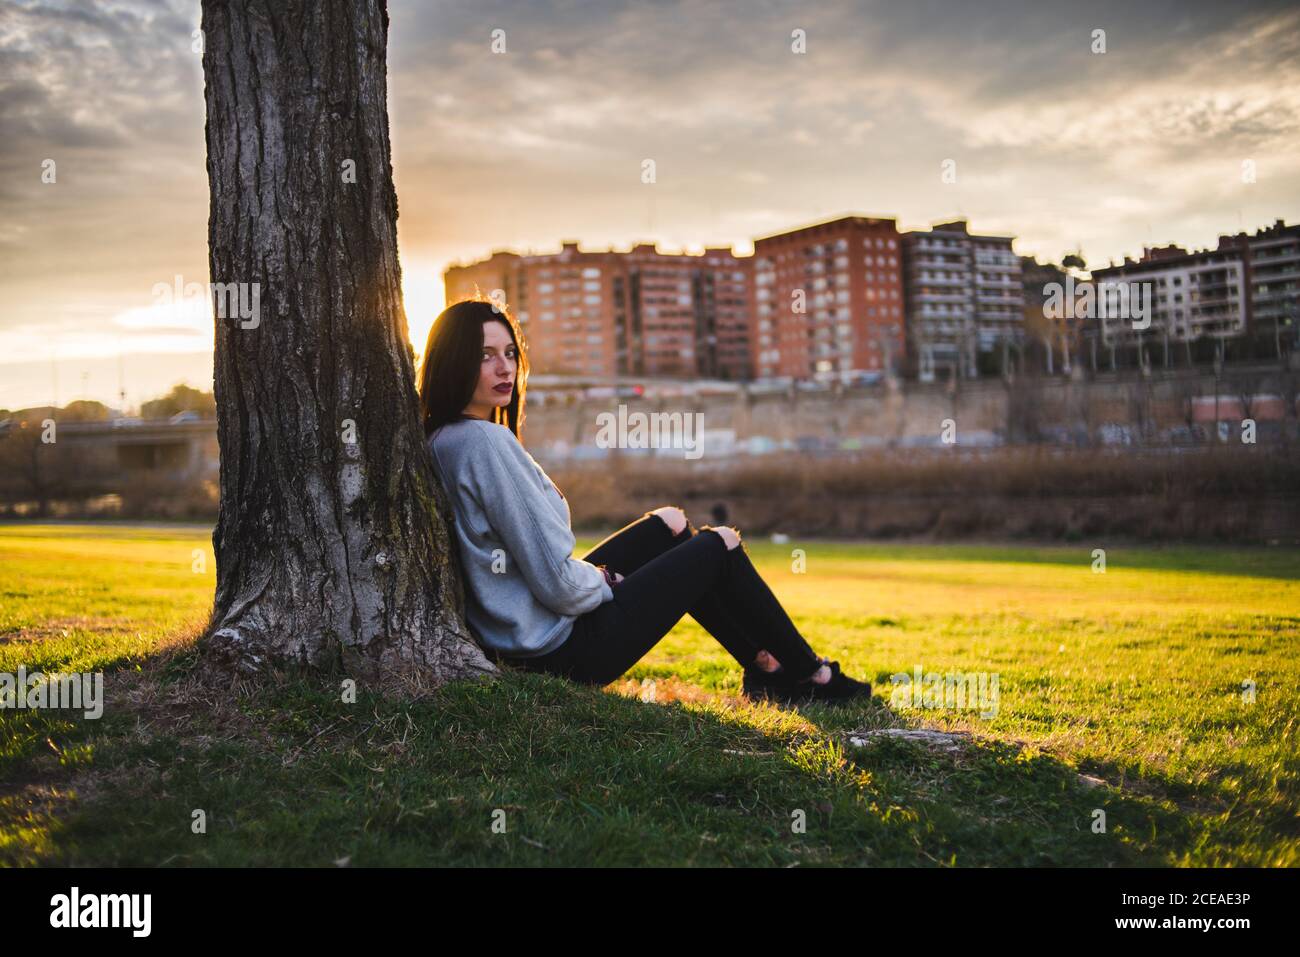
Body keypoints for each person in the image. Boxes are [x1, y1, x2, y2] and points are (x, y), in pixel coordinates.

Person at [418, 298, 872, 706]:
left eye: (510, 353)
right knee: (721, 545)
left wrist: (598, 579)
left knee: (671, 524)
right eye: (485, 355)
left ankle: (767, 669)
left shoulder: (444, 439)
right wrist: (605, 581)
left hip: (525, 634)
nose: (505, 369)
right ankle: (813, 675)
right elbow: (556, 583)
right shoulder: (486, 443)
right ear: (455, 361)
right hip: (562, 648)